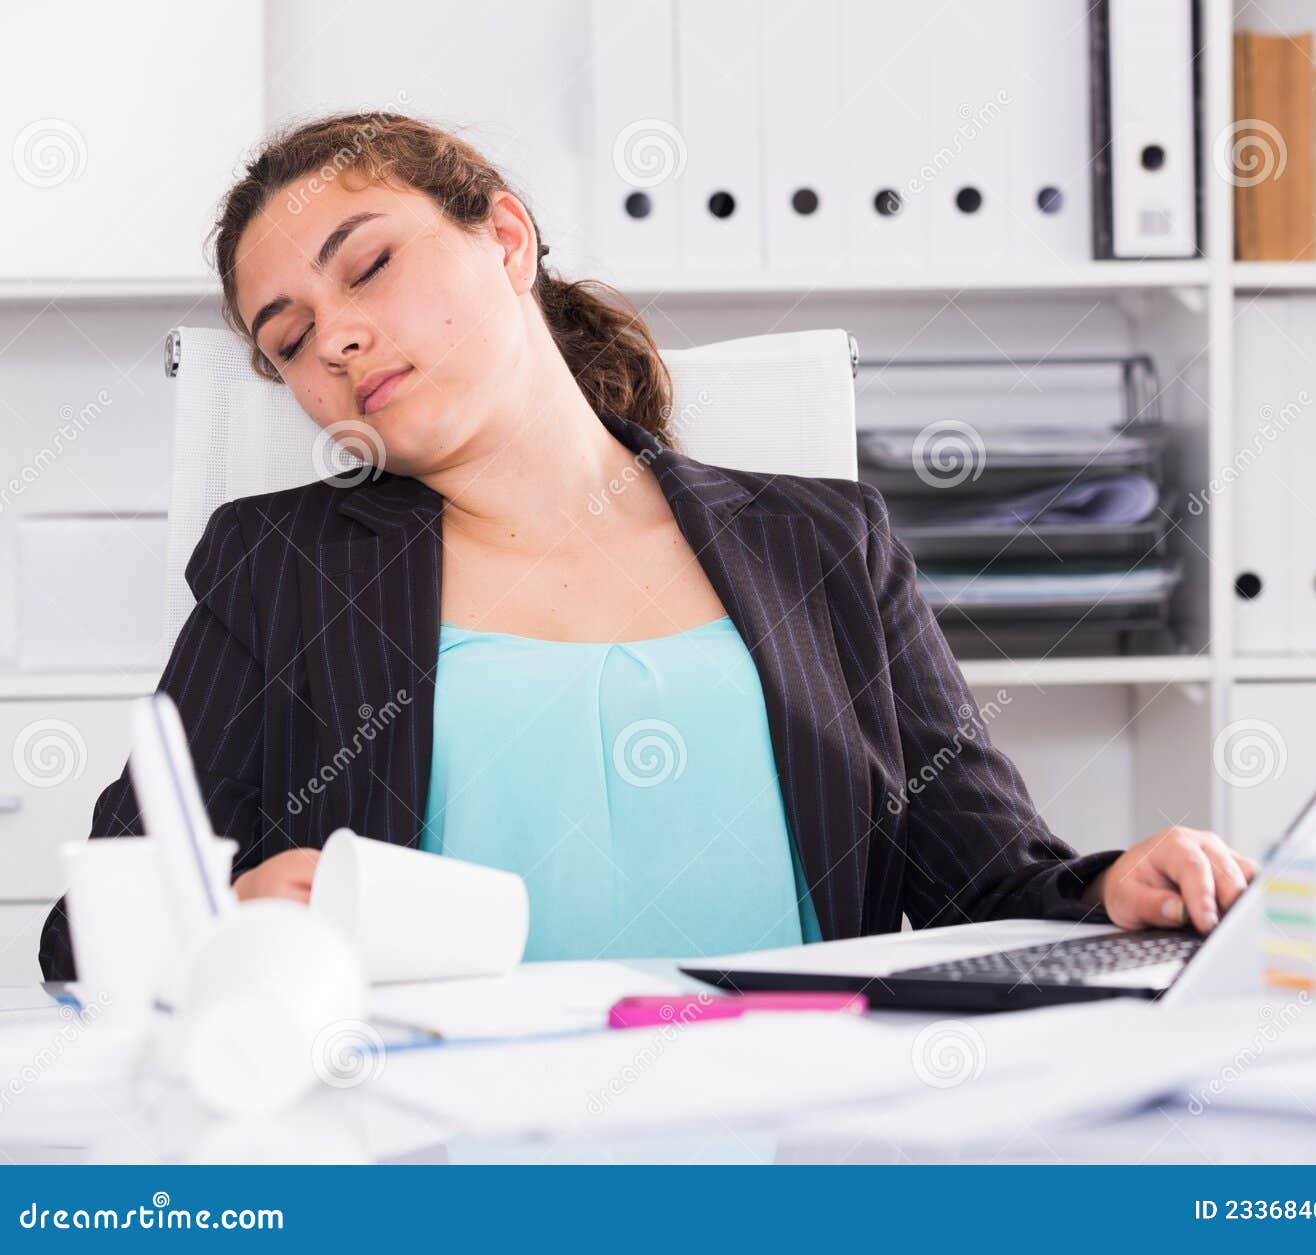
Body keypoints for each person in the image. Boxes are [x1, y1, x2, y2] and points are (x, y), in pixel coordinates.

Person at [38, 113, 1254, 979]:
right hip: (437, 1146)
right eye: (290, 339)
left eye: (369, 266)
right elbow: (83, 934)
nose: (339, 341)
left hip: (794, 1128)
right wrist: (227, 915)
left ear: (505, 239)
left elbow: (983, 882)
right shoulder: (282, 567)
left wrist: (1111, 888)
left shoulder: (826, 541)